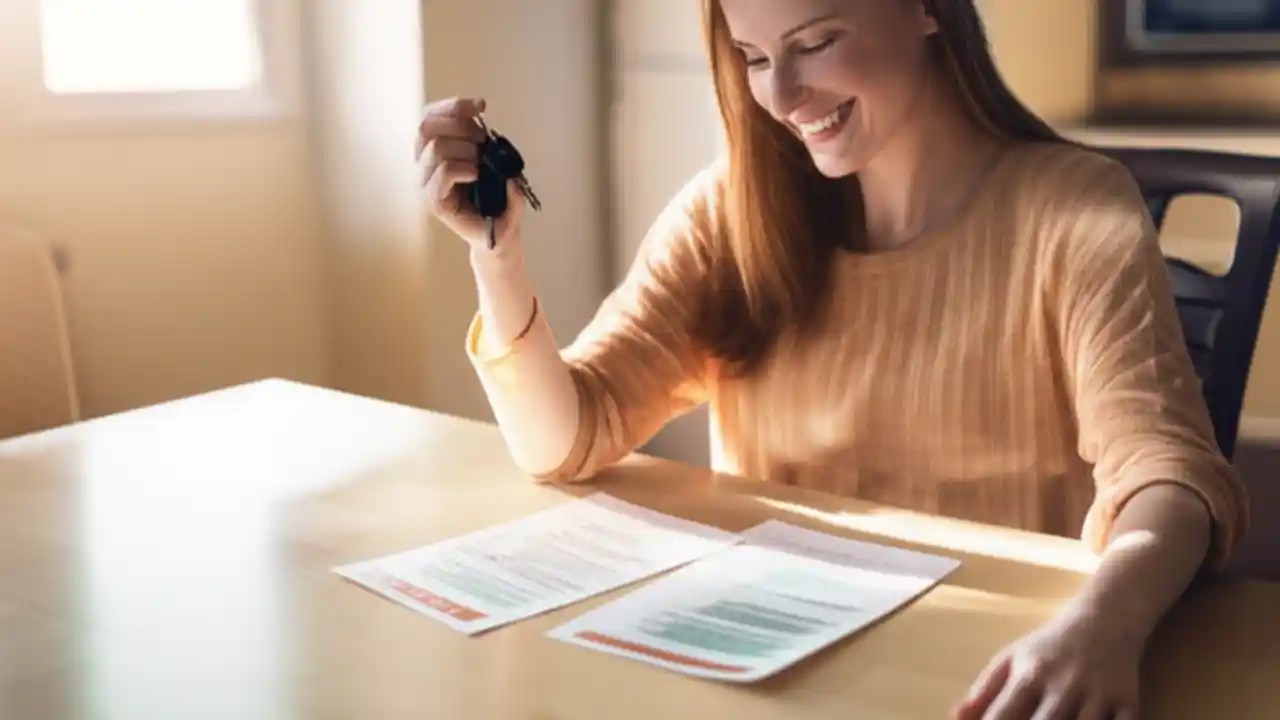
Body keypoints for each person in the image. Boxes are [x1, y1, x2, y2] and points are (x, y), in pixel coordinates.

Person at [414, 0, 1248, 717]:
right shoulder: (730, 210)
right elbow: (563, 439)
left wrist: (1098, 629)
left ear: (926, 8)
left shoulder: (1074, 211)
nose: (780, 94)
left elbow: (1168, 476)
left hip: (980, 679)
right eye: (752, 56)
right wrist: (497, 257)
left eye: (815, 43)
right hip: (771, 679)